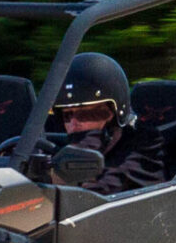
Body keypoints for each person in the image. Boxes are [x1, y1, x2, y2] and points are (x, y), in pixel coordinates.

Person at [50, 53, 166, 195]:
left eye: (85, 114)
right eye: (67, 115)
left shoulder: (145, 145)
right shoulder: (63, 149)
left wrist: (57, 177)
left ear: (114, 113)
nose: (73, 125)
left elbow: (102, 193)